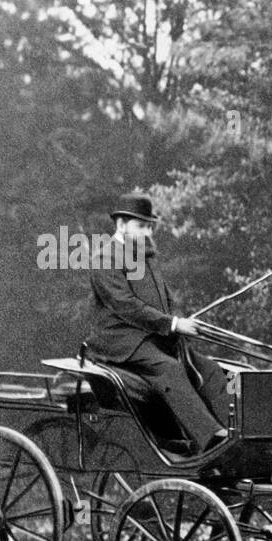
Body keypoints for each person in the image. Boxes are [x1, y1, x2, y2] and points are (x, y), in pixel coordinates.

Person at [85, 192, 230, 454]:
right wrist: (173, 324)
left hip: (153, 335)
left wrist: (181, 322)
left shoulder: (145, 256)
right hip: (121, 341)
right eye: (141, 226)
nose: (147, 231)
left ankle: (233, 433)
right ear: (121, 225)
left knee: (209, 369)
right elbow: (125, 306)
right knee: (169, 368)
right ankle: (211, 440)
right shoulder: (105, 258)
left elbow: (164, 298)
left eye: (149, 226)